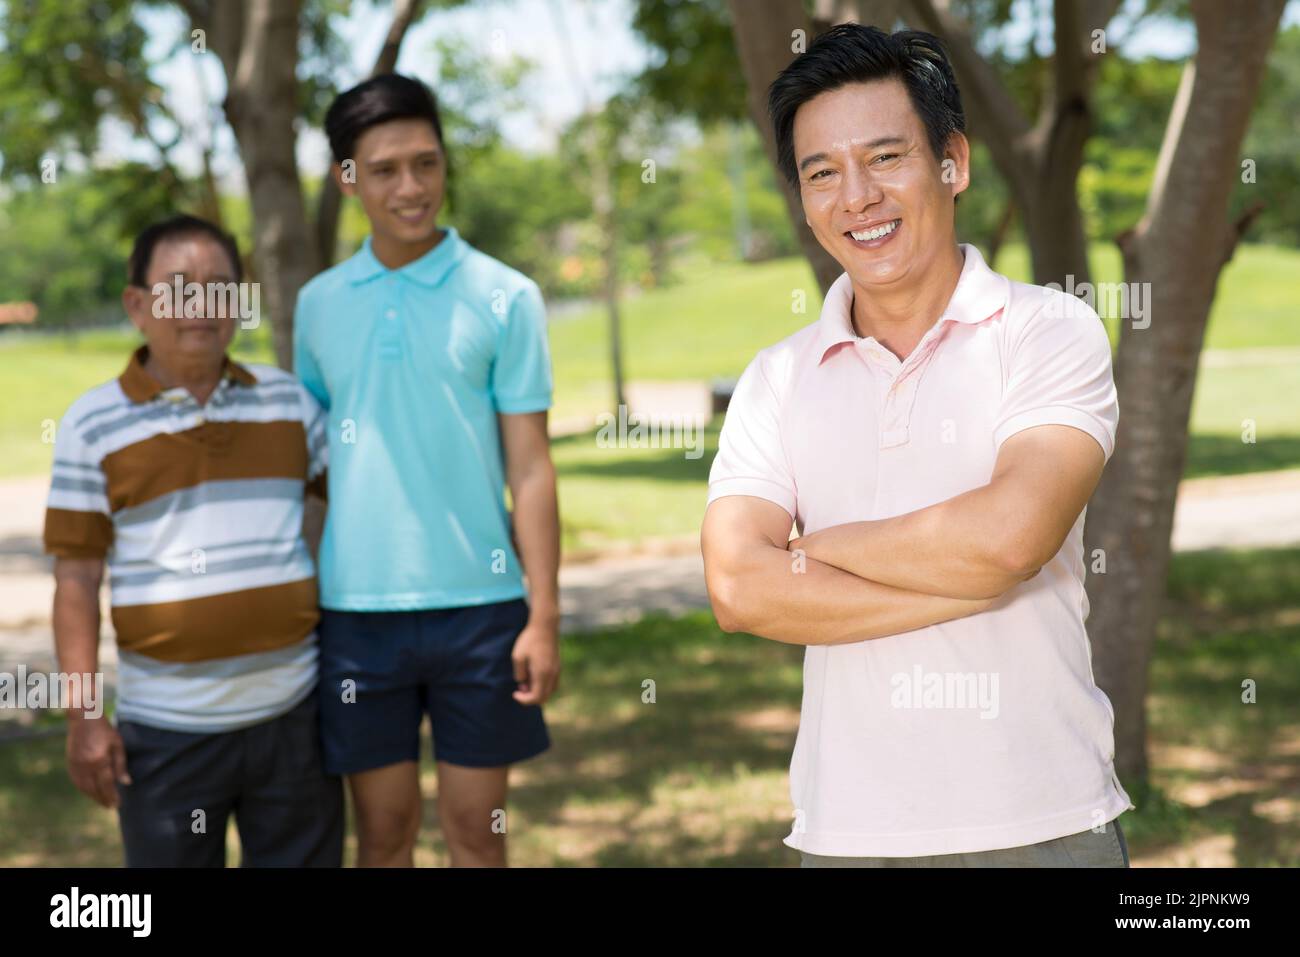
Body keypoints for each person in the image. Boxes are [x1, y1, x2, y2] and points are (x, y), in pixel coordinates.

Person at [701, 24, 1134, 867]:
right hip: (845, 837)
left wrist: (819, 550)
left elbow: (1011, 535)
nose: (855, 196)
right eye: (821, 172)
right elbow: (740, 588)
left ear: (953, 163)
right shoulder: (777, 377)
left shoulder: (1048, 331)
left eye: (885, 157)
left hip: (1042, 824)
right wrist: (979, 583)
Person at [295, 74, 561, 867]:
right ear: (348, 179)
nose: (411, 187)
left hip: (482, 610)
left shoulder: (507, 296)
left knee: (479, 833)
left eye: (427, 164)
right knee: (383, 835)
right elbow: (317, 467)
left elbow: (534, 467)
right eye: (384, 170)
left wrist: (542, 612)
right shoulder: (317, 304)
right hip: (355, 615)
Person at [44, 214, 342, 867]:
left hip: (295, 720)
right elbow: (76, 581)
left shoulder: (290, 405)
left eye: (220, 286)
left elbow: (353, 509)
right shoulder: (91, 426)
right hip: (167, 737)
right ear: (137, 305)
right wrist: (84, 716)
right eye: (180, 287)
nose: (202, 305)